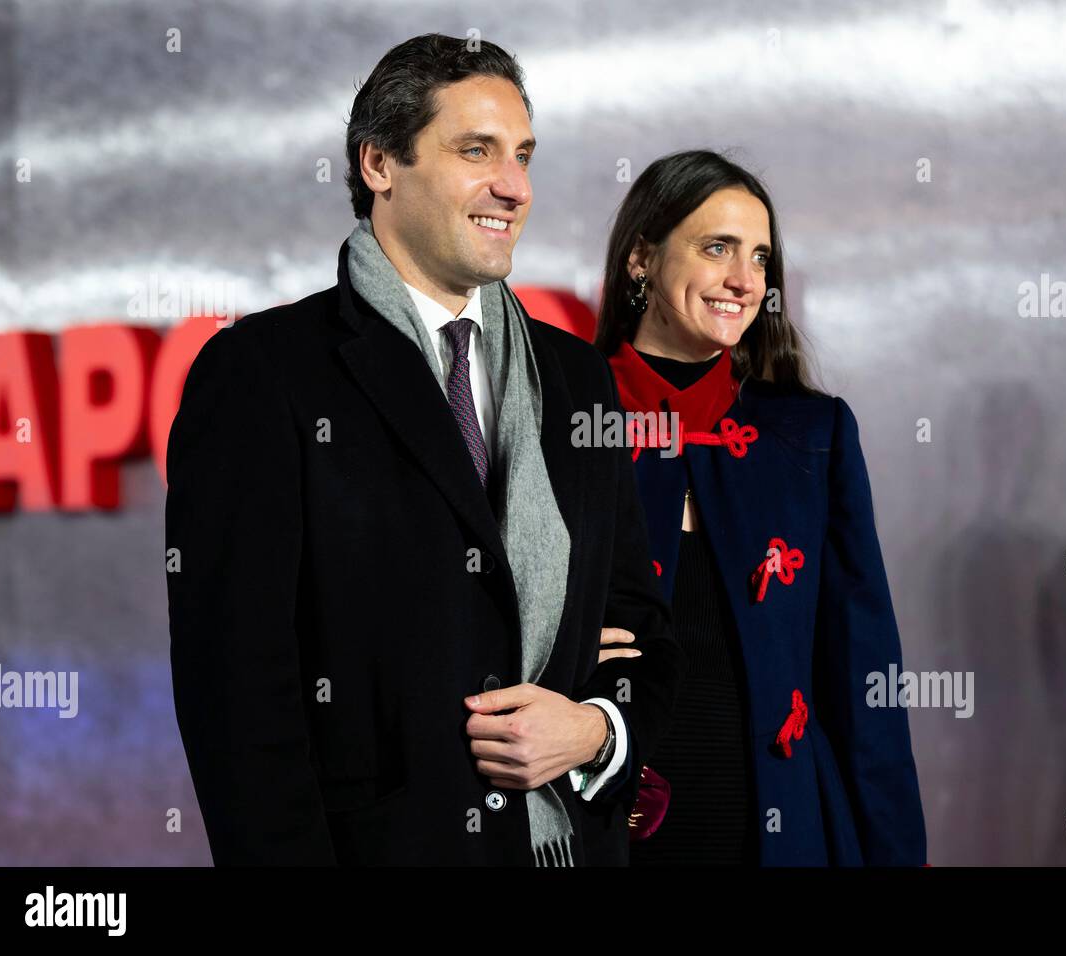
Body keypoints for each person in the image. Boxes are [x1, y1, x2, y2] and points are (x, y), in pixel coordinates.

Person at [166, 34, 681, 866]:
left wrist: (595, 728)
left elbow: (641, 627)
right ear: (379, 164)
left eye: (522, 155)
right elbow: (237, 697)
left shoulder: (576, 376)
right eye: (476, 151)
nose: (514, 186)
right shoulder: (262, 373)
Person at [595, 150, 926, 866]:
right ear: (641, 258)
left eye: (760, 257)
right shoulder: (553, 419)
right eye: (717, 248)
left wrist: (895, 853)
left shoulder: (813, 434)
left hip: (780, 841)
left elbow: (862, 675)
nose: (745, 281)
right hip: (595, 832)